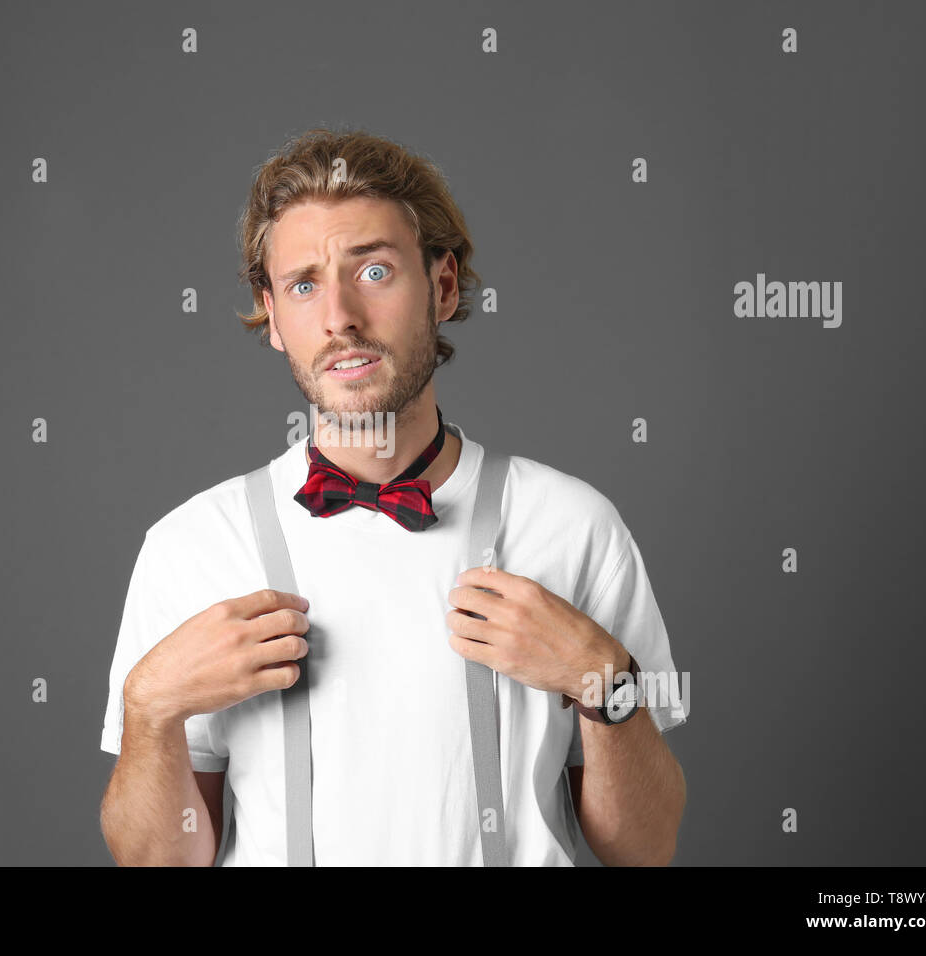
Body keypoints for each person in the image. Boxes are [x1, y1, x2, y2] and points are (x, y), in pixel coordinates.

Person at [99, 127, 688, 866]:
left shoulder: (573, 526)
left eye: (373, 271)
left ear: (442, 287)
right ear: (273, 315)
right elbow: (158, 863)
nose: (340, 316)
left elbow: (645, 850)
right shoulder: (192, 548)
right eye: (304, 284)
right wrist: (148, 710)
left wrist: (605, 681)